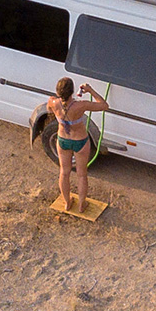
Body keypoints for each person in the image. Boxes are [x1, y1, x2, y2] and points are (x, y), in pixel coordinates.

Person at [49, 77, 108, 214]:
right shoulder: (80, 106)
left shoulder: (53, 102)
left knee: (64, 172)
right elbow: (104, 105)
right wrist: (90, 90)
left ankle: (67, 202)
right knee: (82, 175)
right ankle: (82, 204)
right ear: (72, 91)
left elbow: (50, 109)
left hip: (63, 139)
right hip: (80, 140)